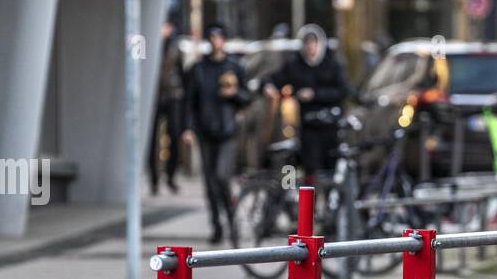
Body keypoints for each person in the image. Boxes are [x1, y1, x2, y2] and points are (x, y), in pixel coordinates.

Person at [184, 23, 251, 244]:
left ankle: (231, 219)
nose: (216, 41)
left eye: (219, 37)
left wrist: (234, 94)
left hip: (227, 131)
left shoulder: (234, 67)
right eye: (212, 37)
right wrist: (187, 127)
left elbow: (247, 97)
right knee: (210, 183)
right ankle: (217, 225)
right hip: (205, 131)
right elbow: (190, 101)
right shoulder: (198, 69)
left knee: (222, 176)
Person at [262, 23, 350, 176]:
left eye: (313, 43)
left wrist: (315, 94)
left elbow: (342, 91)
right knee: (311, 170)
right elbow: (274, 79)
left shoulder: (332, 65)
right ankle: (309, 192)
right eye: (306, 43)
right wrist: (267, 86)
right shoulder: (295, 66)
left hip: (330, 126)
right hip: (307, 126)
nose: (310, 47)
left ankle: (329, 192)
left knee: (330, 170)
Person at [149, 18, 185, 194]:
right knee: (152, 140)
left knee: (174, 136)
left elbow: (181, 72)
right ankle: (154, 179)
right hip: (154, 96)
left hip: (172, 96)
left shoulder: (175, 46)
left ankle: (171, 176)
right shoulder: (149, 43)